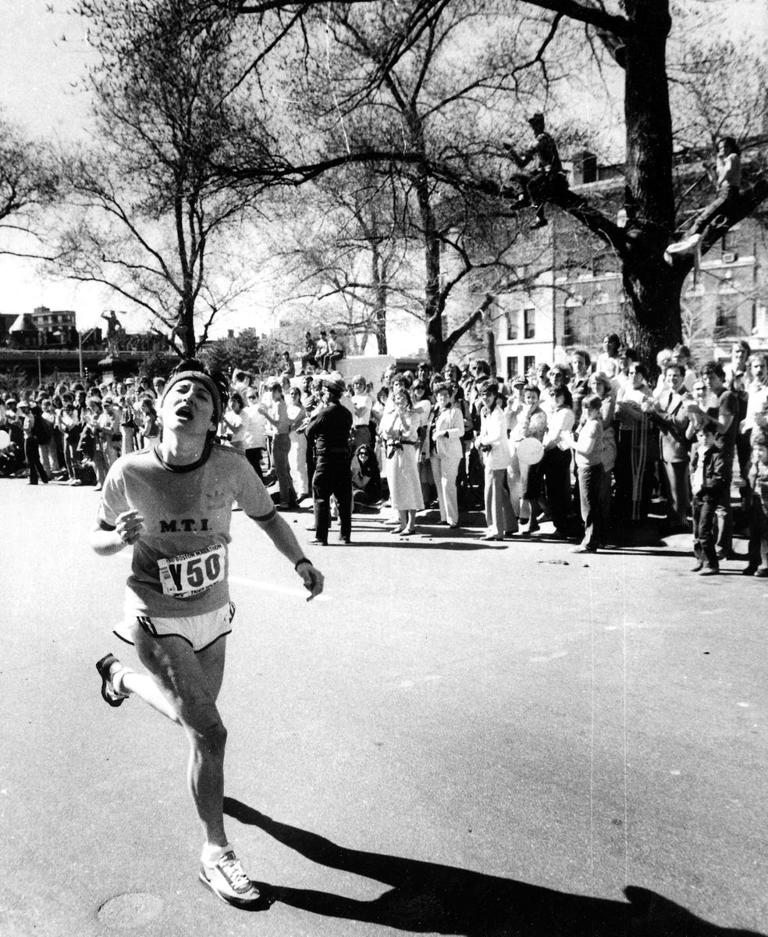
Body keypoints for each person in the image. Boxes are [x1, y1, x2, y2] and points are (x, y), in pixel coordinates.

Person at [90, 360, 324, 908]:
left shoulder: (231, 466)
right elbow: (95, 540)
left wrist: (300, 561)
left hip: (213, 613)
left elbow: (267, 517)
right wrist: (117, 541)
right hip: (156, 612)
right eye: (178, 388)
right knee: (211, 733)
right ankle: (216, 854)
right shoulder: (129, 471)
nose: (187, 395)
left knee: (193, 722)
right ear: (160, 408)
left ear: (213, 416)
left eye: (201, 392)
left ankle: (120, 679)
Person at [667, 137, 742, 255]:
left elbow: (726, 173)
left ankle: (685, 241)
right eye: (720, 147)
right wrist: (716, 164)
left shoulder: (733, 157)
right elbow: (718, 178)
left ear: (731, 147)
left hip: (728, 193)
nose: (723, 149)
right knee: (706, 219)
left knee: (704, 218)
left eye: (725, 146)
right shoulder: (724, 160)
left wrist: (718, 181)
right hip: (724, 193)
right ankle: (690, 241)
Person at [305, 375, 354, 544]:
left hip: (325, 459)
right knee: (343, 498)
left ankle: (321, 536)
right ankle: (345, 534)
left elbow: (309, 432)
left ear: (329, 393)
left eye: (324, 391)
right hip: (342, 458)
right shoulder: (347, 413)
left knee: (320, 495)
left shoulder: (324, 412)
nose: (323, 394)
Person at [503, 112, 567, 229]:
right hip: (544, 175)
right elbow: (522, 163)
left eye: (536, 124)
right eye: (533, 124)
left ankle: (540, 218)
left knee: (532, 184)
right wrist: (511, 150)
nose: (534, 127)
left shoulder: (544, 139)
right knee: (516, 177)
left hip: (554, 176)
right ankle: (522, 198)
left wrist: (528, 148)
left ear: (541, 124)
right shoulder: (536, 141)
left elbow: (536, 148)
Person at [379, 385, 424, 535]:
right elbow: (387, 432)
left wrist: (403, 418)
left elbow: (408, 431)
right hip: (393, 450)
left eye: (404, 398)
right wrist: (396, 417)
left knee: (409, 484)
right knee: (395, 485)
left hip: (407, 450)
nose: (400, 401)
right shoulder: (389, 414)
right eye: (398, 398)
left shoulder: (413, 415)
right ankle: (401, 521)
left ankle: (411, 523)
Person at [566, 394, 605, 553]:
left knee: (588, 507)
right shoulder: (588, 423)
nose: (587, 411)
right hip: (585, 467)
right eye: (585, 407)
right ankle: (593, 539)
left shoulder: (594, 424)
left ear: (597, 410)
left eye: (592, 408)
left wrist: (569, 442)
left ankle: (589, 543)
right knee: (589, 506)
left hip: (589, 468)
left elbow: (586, 449)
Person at [477, 380, 513, 541]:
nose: (486, 398)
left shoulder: (498, 413)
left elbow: (497, 435)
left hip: (498, 457)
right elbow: (484, 431)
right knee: (499, 492)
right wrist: (481, 439)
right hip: (490, 455)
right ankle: (511, 524)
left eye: (489, 395)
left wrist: (481, 441)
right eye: (483, 395)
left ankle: (497, 530)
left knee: (493, 492)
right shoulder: (485, 411)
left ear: (495, 396)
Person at [689, 424, 726, 575]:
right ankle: (700, 559)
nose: (704, 439)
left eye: (708, 436)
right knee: (696, 528)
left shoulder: (718, 454)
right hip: (696, 494)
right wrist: (692, 483)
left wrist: (703, 486)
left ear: (714, 436)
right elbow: (693, 468)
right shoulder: (696, 450)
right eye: (701, 436)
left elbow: (718, 477)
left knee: (704, 529)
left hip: (708, 495)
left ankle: (712, 563)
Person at [429, 383, 465, 529]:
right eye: (439, 395)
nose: (442, 397)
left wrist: (444, 433)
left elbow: (460, 431)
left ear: (450, 396)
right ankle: (444, 516)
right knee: (439, 484)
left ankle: (453, 518)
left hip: (450, 452)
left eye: (445, 394)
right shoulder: (434, 411)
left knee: (447, 484)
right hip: (434, 451)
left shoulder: (455, 411)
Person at [742, 431, 768, 577]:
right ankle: (753, 562)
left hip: (766, 505)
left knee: (766, 536)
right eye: (756, 449)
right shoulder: (751, 464)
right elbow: (747, 483)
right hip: (754, 503)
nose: (758, 453)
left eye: (762, 450)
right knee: (754, 534)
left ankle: (765, 564)